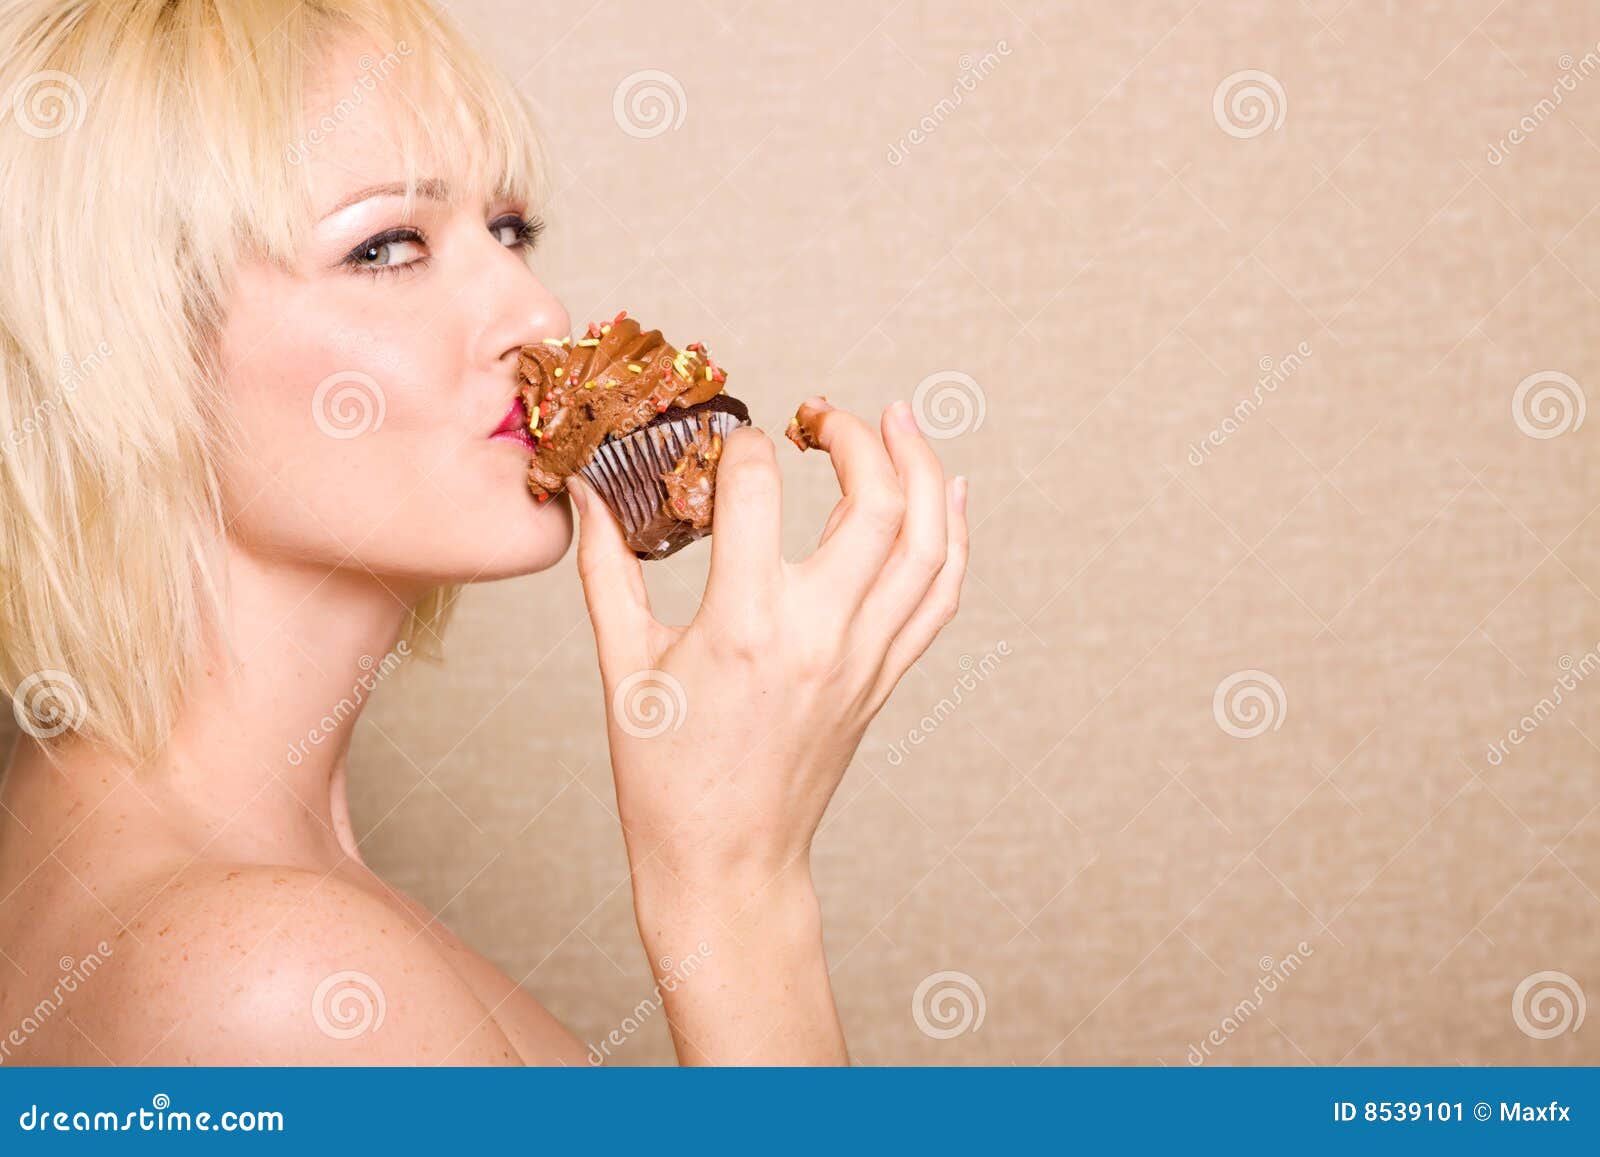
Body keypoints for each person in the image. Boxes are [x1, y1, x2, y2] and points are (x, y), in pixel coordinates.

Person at [0, 0, 967, 1065]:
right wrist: (734, 884)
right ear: (125, 360)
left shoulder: (187, 865)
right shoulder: (276, 982)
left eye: (508, 231)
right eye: (386, 245)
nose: (538, 312)